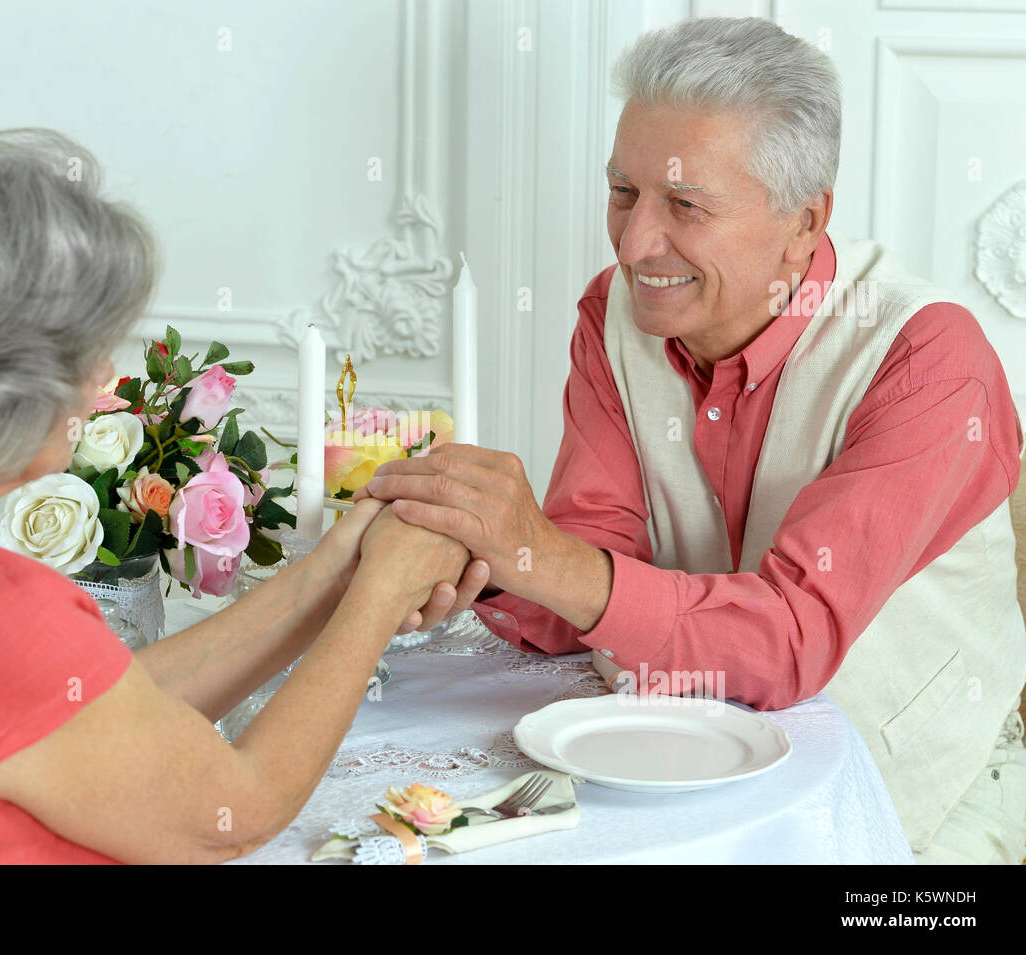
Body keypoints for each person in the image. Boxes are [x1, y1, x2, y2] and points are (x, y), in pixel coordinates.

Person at [356, 17, 1026, 864]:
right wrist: (476, 558)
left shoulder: (927, 360)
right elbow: (587, 562)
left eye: (685, 206)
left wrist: (538, 554)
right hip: (689, 758)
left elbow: (789, 637)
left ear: (803, 223)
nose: (635, 244)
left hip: (932, 795)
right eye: (624, 192)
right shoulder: (613, 319)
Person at [0, 129, 469, 863]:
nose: (102, 373)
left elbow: (86, 712)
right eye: (85, 349)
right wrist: (379, 596)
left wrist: (335, 574)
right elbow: (231, 813)